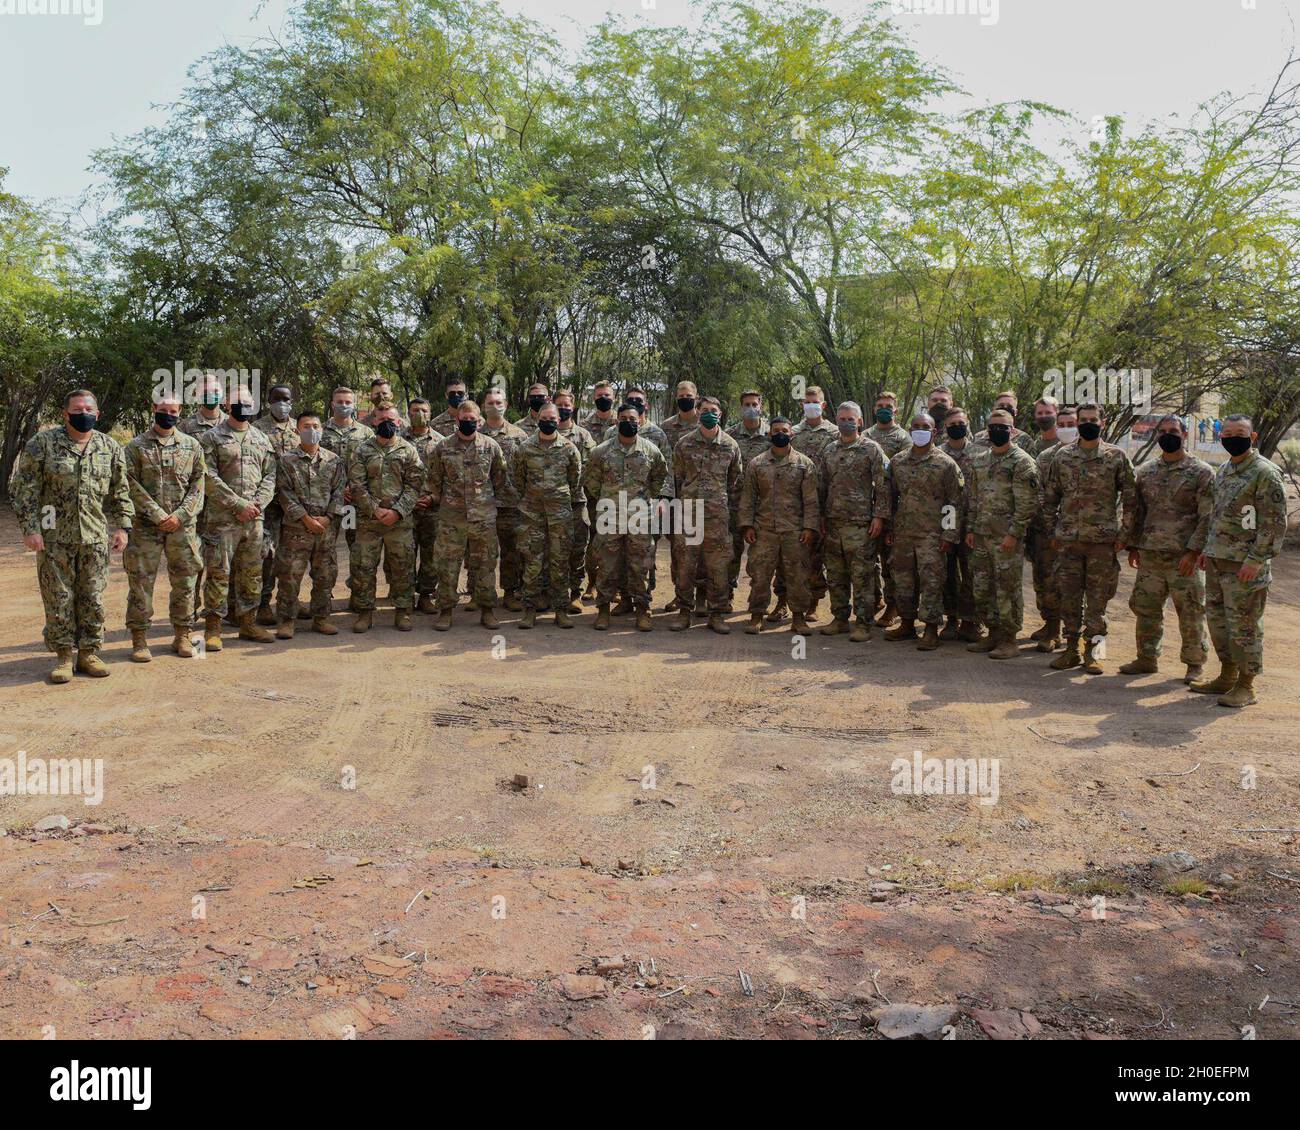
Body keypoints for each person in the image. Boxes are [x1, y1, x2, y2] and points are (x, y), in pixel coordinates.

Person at [13, 390, 133, 682]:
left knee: (92, 596)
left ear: (97, 413)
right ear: (65, 414)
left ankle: (89, 653)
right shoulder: (42, 443)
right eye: (77, 409)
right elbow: (25, 489)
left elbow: (120, 490)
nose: (84, 413)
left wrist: (121, 526)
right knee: (58, 598)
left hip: (93, 535)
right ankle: (64, 656)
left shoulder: (109, 446)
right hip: (54, 537)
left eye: (89, 409)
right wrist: (32, 528)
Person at [1189, 415, 1287, 707]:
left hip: (1245, 565)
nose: (1233, 438)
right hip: (1219, 561)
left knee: (1244, 626)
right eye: (1227, 433)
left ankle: (1247, 686)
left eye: (1240, 433)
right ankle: (1227, 676)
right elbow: (1216, 515)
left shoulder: (1265, 473)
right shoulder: (1225, 469)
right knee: (1219, 623)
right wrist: (1207, 549)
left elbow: (1274, 523)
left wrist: (1256, 560)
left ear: (1252, 436)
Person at [1041, 403, 1136, 674]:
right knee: (1068, 599)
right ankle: (1070, 651)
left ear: (1102, 423)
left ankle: (1095, 653)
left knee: (1098, 603)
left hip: (1102, 543)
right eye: (1083, 420)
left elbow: (1131, 500)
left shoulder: (1116, 456)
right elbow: (1049, 499)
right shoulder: (1063, 457)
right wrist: (1052, 532)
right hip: (1069, 542)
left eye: (1093, 419)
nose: (1088, 423)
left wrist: (1124, 535)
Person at [1118, 415, 1212, 683]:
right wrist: (1134, 546)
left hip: (1184, 558)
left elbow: (1208, 516)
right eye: (1163, 431)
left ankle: (1195, 664)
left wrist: (1194, 552)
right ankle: (1146, 658)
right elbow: (1137, 512)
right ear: (1157, 435)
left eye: (1174, 430)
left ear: (1184, 434)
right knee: (1145, 609)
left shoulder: (1201, 472)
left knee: (1191, 612)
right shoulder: (1146, 471)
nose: (1168, 435)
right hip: (1150, 555)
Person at [123, 393, 205, 661]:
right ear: (154, 409)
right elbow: (130, 485)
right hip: (146, 526)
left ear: (180, 412)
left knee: (185, 580)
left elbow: (198, 485)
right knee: (140, 582)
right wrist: (158, 515)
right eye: (163, 409)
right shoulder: (135, 446)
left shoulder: (192, 446)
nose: (168, 414)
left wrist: (180, 515)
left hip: (182, 527)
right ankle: (139, 639)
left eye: (173, 410)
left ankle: (183, 634)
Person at [198, 385, 278, 651]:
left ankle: (248, 623)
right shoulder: (212, 437)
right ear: (227, 405)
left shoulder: (261, 438)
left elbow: (270, 476)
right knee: (219, 574)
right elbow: (207, 476)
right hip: (222, 519)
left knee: (252, 573)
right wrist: (237, 503)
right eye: (237, 402)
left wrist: (256, 504)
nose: (242, 406)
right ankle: (213, 628)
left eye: (246, 401)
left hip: (254, 521)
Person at [425, 399, 509, 629]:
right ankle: (445, 612)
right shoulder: (442, 447)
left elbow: (499, 478)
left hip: (483, 518)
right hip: (452, 519)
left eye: (472, 420)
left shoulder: (491, 446)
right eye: (464, 420)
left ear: (479, 421)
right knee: (447, 566)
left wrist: (487, 501)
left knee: (485, 566)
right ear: (457, 420)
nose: (468, 423)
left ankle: (488, 611)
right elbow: (434, 480)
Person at [884, 412, 964, 650]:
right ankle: (907, 623)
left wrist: (949, 535)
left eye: (925, 427)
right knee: (903, 580)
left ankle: (930, 629)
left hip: (932, 535)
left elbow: (954, 502)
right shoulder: (898, 461)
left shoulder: (946, 463)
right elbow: (889, 496)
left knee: (931, 582)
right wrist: (888, 526)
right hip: (903, 533)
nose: (920, 430)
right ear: (910, 431)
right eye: (916, 427)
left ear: (934, 432)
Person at [584, 402, 668, 631]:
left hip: (640, 516)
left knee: (639, 565)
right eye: (624, 418)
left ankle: (643, 610)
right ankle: (603, 611)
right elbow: (590, 480)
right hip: (609, 515)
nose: (629, 422)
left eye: (633, 418)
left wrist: (645, 497)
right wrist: (606, 497)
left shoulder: (651, 450)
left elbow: (660, 475)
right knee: (607, 565)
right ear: (616, 421)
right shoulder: (601, 451)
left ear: (640, 421)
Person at [963, 409, 1039, 659]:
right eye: (993, 426)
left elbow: (1028, 503)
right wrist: (972, 528)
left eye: (1003, 427)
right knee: (983, 587)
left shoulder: (1022, 461)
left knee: (1007, 588)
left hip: (1006, 538)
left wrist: (1014, 534)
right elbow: (974, 497)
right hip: (983, 535)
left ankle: (1009, 639)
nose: (997, 431)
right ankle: (993, 633)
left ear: (1012, 430)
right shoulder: (981, 459)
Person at [737, 416, 820, 636]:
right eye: (776, 430)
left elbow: (811, 499)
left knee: (798, 575)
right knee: (759, 575)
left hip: (795, 531)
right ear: (769, 434)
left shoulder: (804, 464)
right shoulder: (757, 463)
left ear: (792, 434)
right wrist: (747, 525)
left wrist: (810, 528)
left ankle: (799, 617)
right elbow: (748, 497)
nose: (780, 433)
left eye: (784, 430)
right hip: (764, 530)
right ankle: (756, 616)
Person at [346, 405, 424, 632]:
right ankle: (364, 613)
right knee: (363, 567)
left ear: (399, 422)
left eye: (391, 419)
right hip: (368, 522)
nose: (386, 423)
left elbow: (414, 485)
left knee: (403, 567)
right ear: (374, 422)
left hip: (399, 522)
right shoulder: (361, 450)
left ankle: (403, 611)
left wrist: (398, 511)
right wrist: (374, 509)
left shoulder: (409, 450)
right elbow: (357, 485)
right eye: (381, 419)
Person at [817, 401, 888, 642]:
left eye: (851, 419)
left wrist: (879, 516)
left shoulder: (872, 449)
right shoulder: (828, 450)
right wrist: (821, 516)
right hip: (834, 524)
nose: (846, 422)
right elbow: (822, 485)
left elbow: (883, 486)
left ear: (859, 422)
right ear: (836, 420)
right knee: (836, 575)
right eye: (842, 418)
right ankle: (839, 618)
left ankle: (863, 623)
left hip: (861, 525)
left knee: (862, 577)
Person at [670, 395, 742, 634]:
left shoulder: (730, 445)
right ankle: (684, 612)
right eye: (705, 410)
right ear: (698, 412)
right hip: (689, 512)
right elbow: (678, 477)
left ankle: (717, 613)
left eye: (714, 410)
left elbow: (734, 481)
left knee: (718, 566)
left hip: (717, 516)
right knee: (686, 565)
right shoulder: (684, 443)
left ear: (720, 414)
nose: (709, 413)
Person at [274, 412, 347, 636]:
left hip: (325, 529)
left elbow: (339, 492)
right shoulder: (286, 460)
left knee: (325, 575)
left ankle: (321, 618)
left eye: (315, 425)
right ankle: (286, 620)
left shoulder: (333, 460)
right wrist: (305, 518)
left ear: (322, 430)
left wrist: (327, 518)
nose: (311, 430)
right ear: (297, 430)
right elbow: (283, 493)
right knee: (289, 575)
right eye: (306, 426)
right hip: (296, 529)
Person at [511, 402, 581, 628]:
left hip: (560, 515)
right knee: (532, 562)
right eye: (545, 418)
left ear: (559, 421)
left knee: (560, 562)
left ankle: (560, 610)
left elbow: (574, 479)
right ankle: (529, 610)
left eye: (553, 418)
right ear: (538, 419)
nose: (549, 421)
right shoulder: (525, 447)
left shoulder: (569, 448)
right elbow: (518, 479)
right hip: (531, 514)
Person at [1027, 404, 1078, 650]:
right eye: (1063, 425)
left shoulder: (1105, 456)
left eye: (1072, 425)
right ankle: (1052, 628)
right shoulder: (1046, 458)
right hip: (1048, 533)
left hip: (1084, 535)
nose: (1067, 429)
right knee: (1046, 582)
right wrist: (1050, 527)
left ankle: (1083, 642)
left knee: (1079, 588)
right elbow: (1038, 495)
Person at [252, 384, 301, 625]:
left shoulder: (300, 428)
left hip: (294, 503)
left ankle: (290, 601)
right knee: (267, 556)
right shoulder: (257, 429)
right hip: (269, 505)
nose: (282, 403)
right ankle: (263, 604)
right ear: (269, 401)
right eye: (277, 399)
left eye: (286, 399)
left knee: (294, 555)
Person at [479, 388, 528, 609]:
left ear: (506, 405)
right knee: (481, 554)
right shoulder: (475, 434)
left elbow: (527, 468)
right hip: (482, 504)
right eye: (490, 403)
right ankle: (479, 595)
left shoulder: (519, 435)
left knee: (511, 552)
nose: (494, 406)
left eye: (498, 402)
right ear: (483, 406)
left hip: (511, 504)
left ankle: (509, 593)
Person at [865, 390, 911, 627]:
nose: (884, 408)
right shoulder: (866, 435)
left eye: (888, 405)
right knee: (868, 560)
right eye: (880, 404)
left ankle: (893, 606)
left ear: (896, 409)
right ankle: (874, 600)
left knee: (890, 561)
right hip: (867, 508)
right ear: (874, 409)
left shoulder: (903, 438)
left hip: (893, 508)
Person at [938, 406, 982, 642]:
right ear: (945, 427)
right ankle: (951, 620)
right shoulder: (937, 454)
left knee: (971, 573)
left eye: (960, 423)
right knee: (948, 573)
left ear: (968, 423)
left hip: (971, 521)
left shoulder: (980, 454)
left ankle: (970, 621)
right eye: (952, 424)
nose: (957, 427)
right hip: (945, 520)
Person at [725, 389, 770, 601]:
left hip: (763, 507)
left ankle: (760, 600)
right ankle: (726, 595)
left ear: (761, 406)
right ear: (740, 407)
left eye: (754, 404)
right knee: (731, 551)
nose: (751, 408)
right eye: (747, 405)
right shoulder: (729, 436)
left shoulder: (773, 435)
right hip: (734, 503)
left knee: (762, 556)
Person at [554, 389, 596, 612]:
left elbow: (591, 467)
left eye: (567, 405)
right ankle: (550, 594)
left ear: (573, 407)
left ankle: (575, 594)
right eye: (559, 404)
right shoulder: (545, 434)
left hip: (577, 502)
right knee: (552, 550)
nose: (563, 409)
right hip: (549, 504)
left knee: (577, 549)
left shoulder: (583, 436)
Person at [403, 397, 445, 613]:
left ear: (430, 414)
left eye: (424, 410)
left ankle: (426, 595)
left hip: (431, 507)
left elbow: (447, 476)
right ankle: (405, 596)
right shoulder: (397, 438)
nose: (420, 413)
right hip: (403, 509)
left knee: (431, 555)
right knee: (404, 554)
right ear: (408, 413)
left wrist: (432, 497)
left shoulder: (442, 442)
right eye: (415, 409)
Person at [972, 390, 1037, 454]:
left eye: (1009, 406)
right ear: (994, 409)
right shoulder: (978, 437)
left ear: (1016, 412)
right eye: (1001, 405)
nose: (1005, 408)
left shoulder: (1025, 440)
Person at [179, 372, 227, 437]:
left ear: (222, 393)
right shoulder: (185, 427)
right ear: (197, 395)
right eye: (205, 392)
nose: (210, 394)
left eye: (215, 391)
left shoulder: (233, 423)